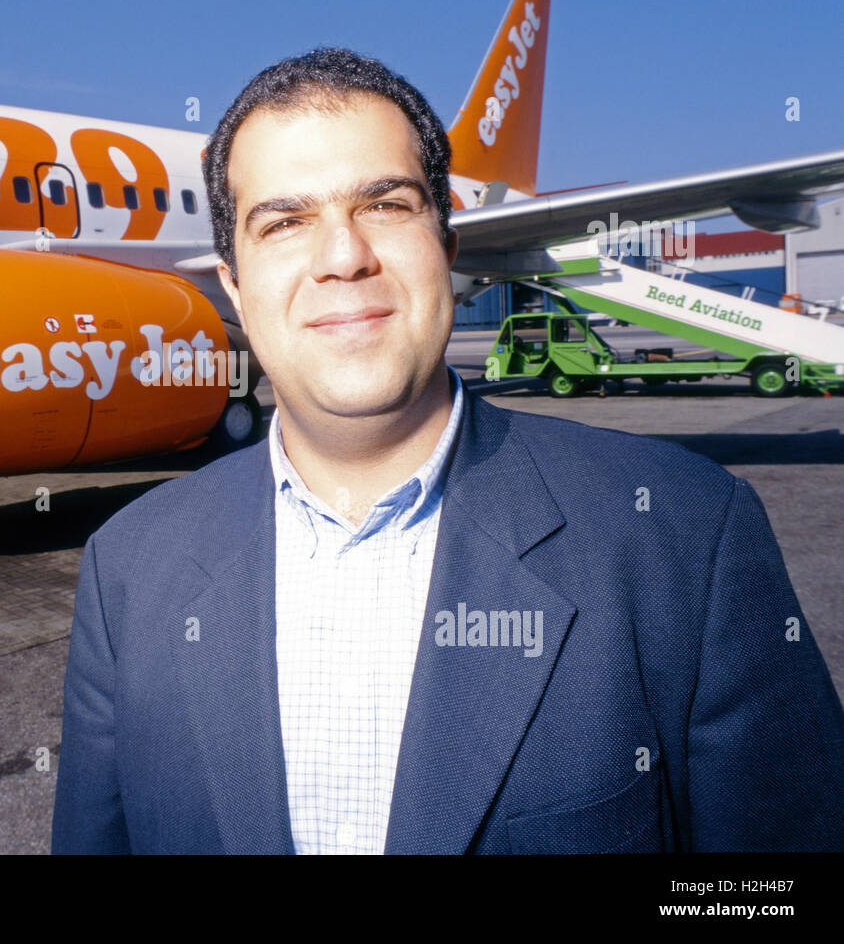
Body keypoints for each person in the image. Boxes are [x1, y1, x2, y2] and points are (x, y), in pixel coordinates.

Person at [51, 47, 844, 854]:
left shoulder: (686, 534)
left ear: (447, 246)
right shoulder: (126, 568)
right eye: (284, 223)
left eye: (387, 205)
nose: (342, 257)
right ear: (234, 284)